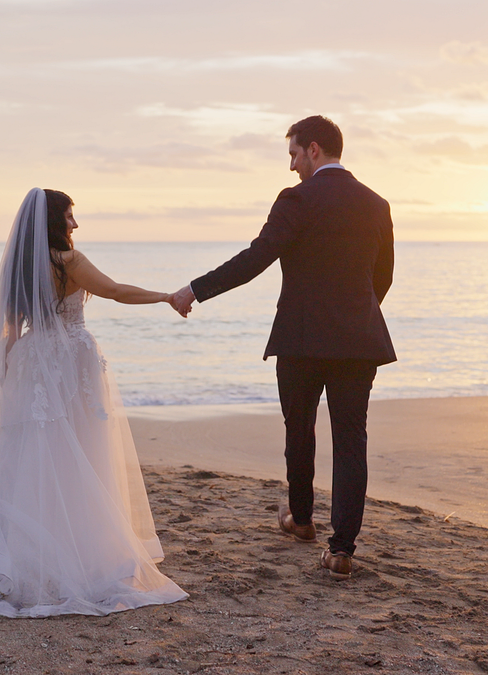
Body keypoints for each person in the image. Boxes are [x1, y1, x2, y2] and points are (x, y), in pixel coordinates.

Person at [0, 187, 188, 617]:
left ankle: (19, 554)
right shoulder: (67, 261)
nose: (75, 224)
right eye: (70, 216)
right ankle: (79, 550)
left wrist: (5, 371)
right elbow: (114, 291)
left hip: (33, 361)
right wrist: (164, 296)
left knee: (28, 454)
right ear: (55, 222)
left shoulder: (24, 264)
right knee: (81, 453)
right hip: (70, 359)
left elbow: (12, 327)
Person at [170, 115, 396, 580]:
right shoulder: (376, 203)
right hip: (358, 342)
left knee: (301, 429)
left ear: (313, 149)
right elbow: (383, 276)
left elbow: (256, 258)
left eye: (293, 154)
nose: (291, 166)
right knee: (352, 441)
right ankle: (342, 549)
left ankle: (300, 518)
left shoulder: (296, 198)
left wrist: (194, 289)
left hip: (301, 339)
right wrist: (353, 313)